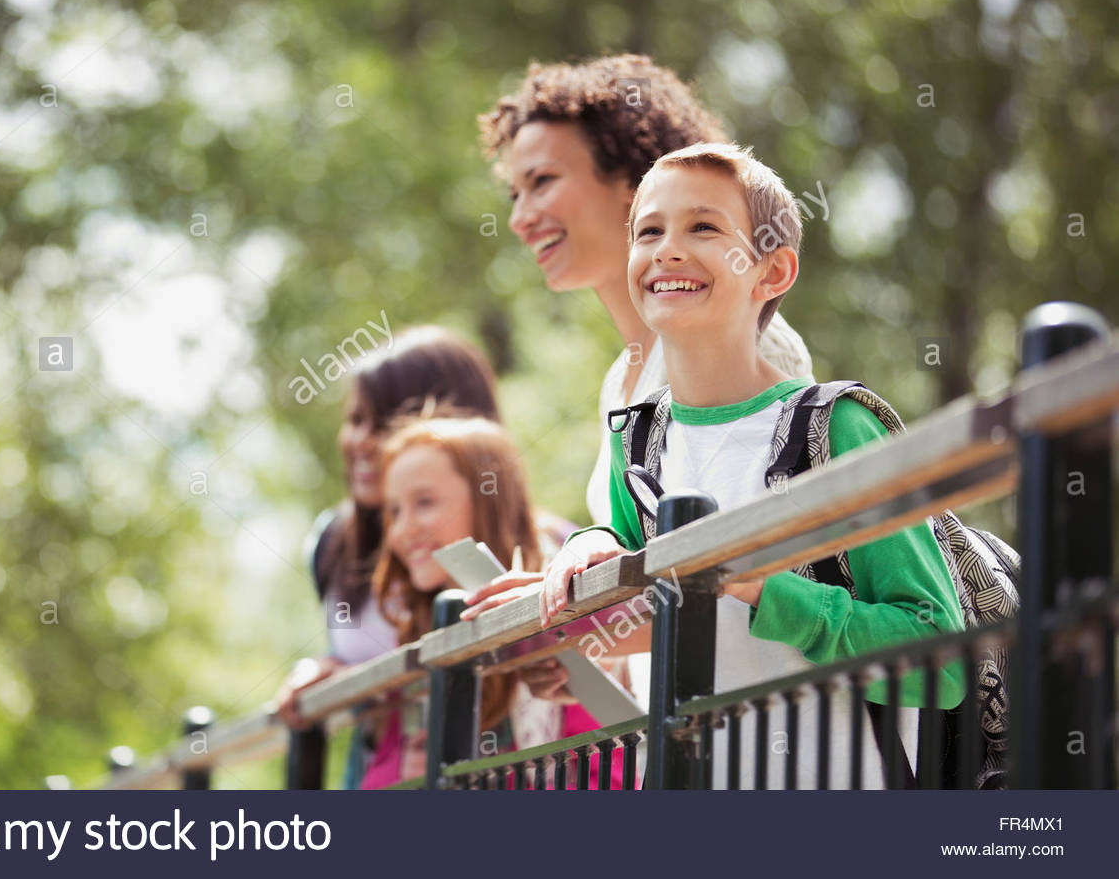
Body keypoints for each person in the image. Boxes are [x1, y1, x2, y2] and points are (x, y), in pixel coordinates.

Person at [543, 142, 966, 787]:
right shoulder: (638, 441)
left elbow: (942, 662)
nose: (668, 250)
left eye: (703, 227)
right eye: (648, 231)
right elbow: (653, 610)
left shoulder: (840, 428)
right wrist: (591, 546)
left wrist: (767, 589)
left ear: (773, 273)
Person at [467, 54, 814, 704]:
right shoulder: (618, 386)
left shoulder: (759, 345)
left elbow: (761, 582)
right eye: (515, 193)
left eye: (542, 181)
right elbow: (670, 595)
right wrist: (576, 643)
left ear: (634, 182)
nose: (520, 216)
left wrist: (581, 627)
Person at [272, 326, 503, 788]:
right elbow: (363, 656)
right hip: (382, 772)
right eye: (354, 419)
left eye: (382, 424)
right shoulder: (331, 546)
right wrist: (330, 672)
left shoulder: (531, 543)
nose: (361, 441)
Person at [363, 415, 621, 789]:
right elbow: (377, 775)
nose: (403, 529)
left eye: (425, 502)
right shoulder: (419, 628)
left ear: (489, 501)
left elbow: (610, 772)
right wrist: (406, 773)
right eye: (394, 511)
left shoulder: (559, 613)